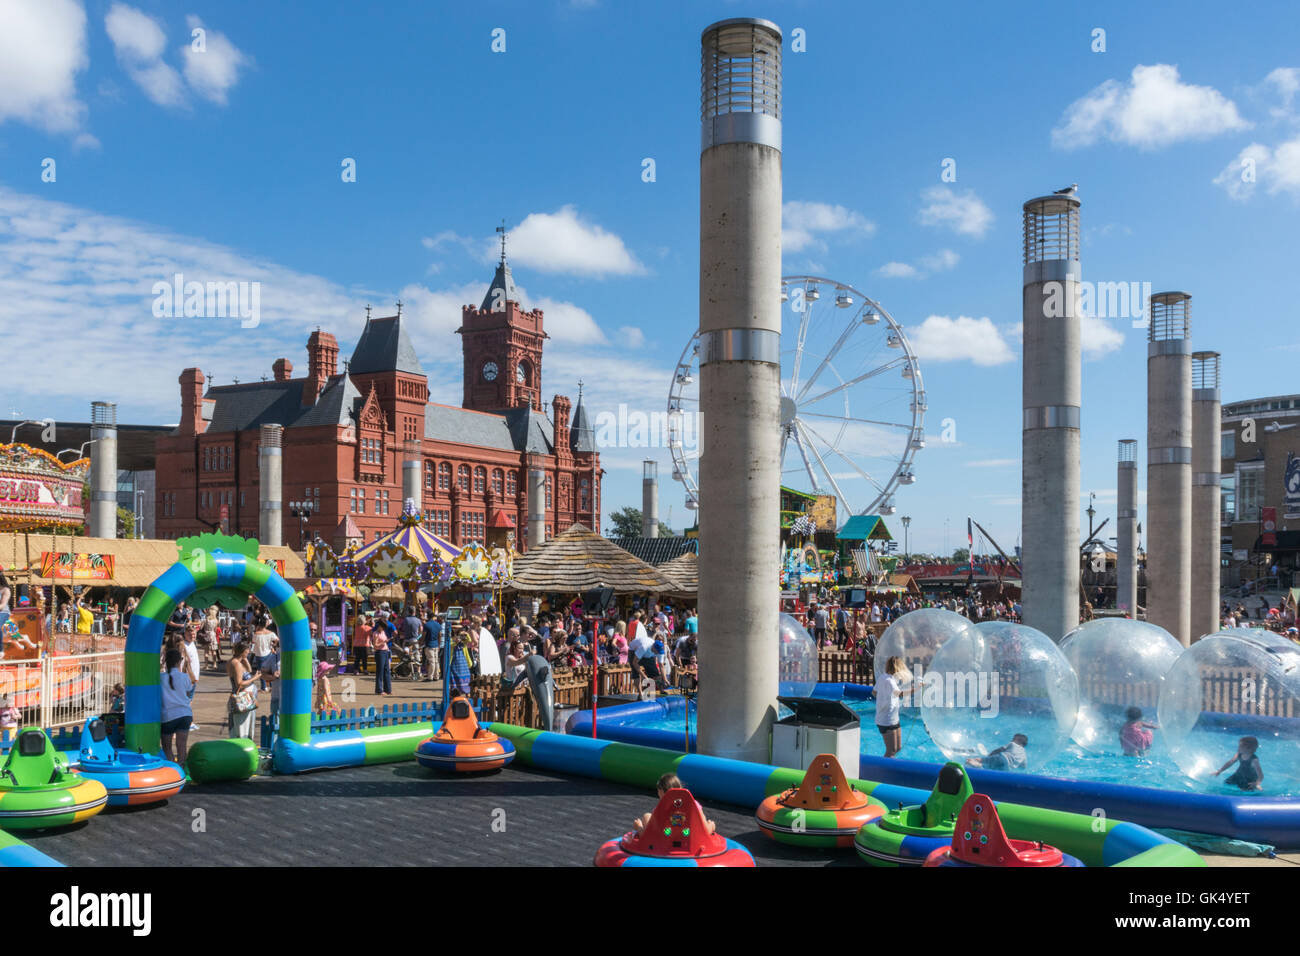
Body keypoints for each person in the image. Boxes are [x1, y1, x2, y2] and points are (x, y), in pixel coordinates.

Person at [632, 773, 716, 836]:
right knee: (703, 823)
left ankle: (710, 825)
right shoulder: (694, 804)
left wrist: (639, 827)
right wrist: (710, 826)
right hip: (688, 836)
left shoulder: (661, 808)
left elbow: (649, 836)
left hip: (666, 838)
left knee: (647, 816)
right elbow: (705, 831)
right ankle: (711, 825)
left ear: (661, 792)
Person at [160, 647, 193, 766]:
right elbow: (188, 694)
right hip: (185, 714)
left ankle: (172, 769)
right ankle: (182, 767)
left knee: (167, 747)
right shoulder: (185, 677)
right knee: (182, 745)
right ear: (179, 662)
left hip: (168, 716)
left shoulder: (160, 677)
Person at [874, 656, 913, 758]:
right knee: (891, 751)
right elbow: (900, 694)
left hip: (893, 718)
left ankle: (888, 765)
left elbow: (874, 692)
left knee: (897, 748)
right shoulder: (889, 681)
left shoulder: (883, 677)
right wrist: (917, 689)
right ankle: (883, 768)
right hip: (886, 720)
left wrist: (883, 698)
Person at [226, 641, 259, 739]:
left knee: (243, 724)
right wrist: (254, 678)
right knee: (242, 726)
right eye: (247, 651)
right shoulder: (237, 664)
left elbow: (249, 670)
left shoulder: (235, 661)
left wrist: (245, 659)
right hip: (243, 699)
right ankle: (242, 743)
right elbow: (239, 683)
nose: (249, 652)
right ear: (243, 651)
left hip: (245, 698)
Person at [180, 625, 202, 732]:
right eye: (190, 634)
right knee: (187, 701)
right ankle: (187, 722)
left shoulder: (192, 644)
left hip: (194, 678)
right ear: (185, 634)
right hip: (188, 679)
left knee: (189, 700)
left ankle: (188, 722)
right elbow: (182, 664)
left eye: (194, 634)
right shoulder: (184, 646)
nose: (193, 636)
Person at [372, 613, 392, 697]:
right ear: (379, 626)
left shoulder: (383, 632)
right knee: (380, 671)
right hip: (379, 652)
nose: (383, 629)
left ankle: (388, 689)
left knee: (387, 671)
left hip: (385, 651)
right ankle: (379, 690)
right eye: (382, 627)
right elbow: (375, 645)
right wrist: (383, 642)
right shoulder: (375, 633)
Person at [422, 611, 442, 682]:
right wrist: (439, 645)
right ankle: (436, 676)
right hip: (436, 645)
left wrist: (421, 642)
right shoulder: (438, 625)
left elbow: (423, 635)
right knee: (436, 661)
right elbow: (440, 636)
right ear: (433, 617)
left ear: (428, 616)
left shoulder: (426, 625)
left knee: (431, 662)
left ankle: (430, 677)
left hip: (429, 645)